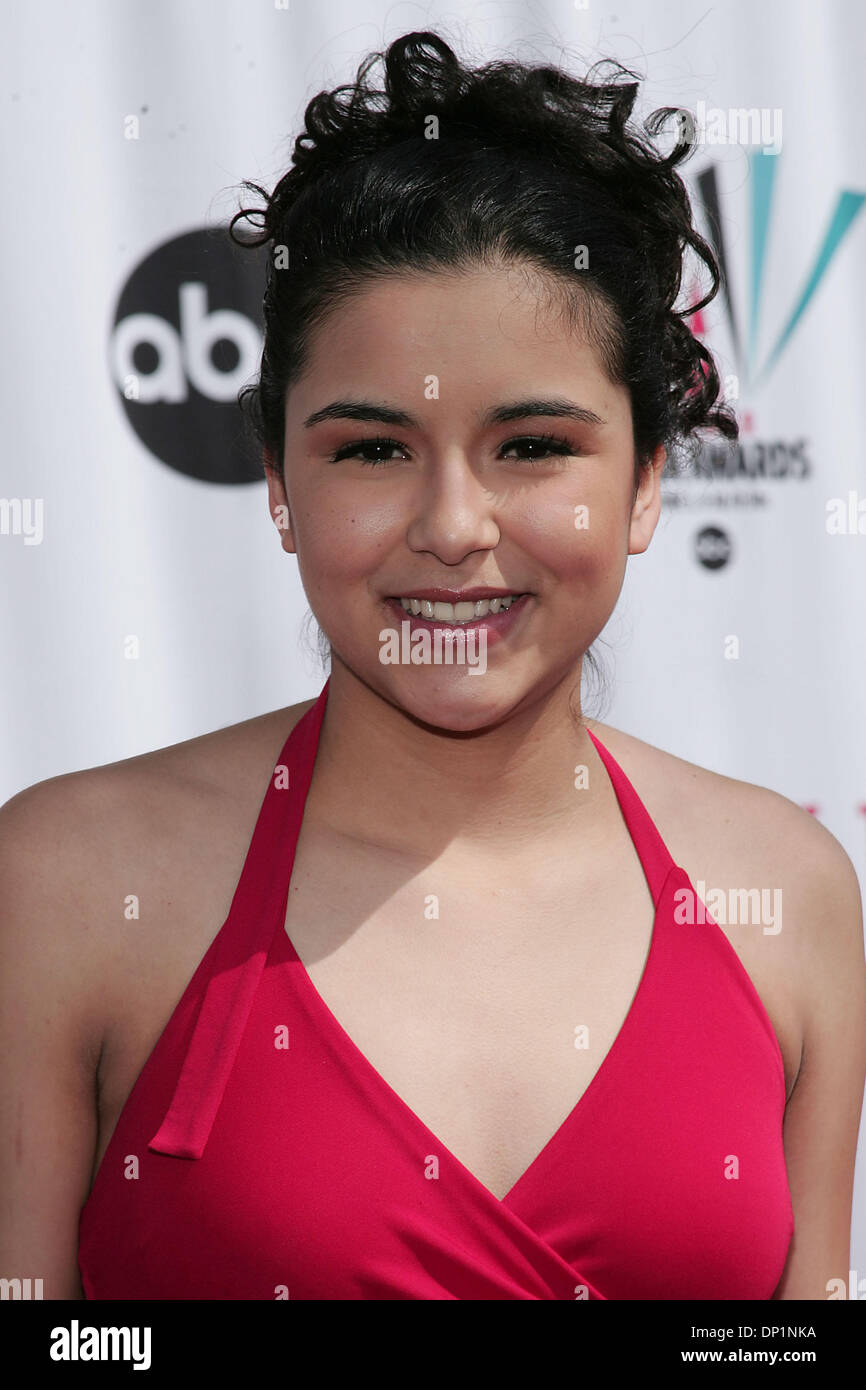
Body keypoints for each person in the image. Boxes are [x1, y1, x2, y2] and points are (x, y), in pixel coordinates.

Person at [1, 29, 864, 1301]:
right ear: (277, 481)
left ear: (644, 479)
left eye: (530, 445)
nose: (453, 526)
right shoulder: (68, 883)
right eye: (370, 450)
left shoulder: (783, 895)